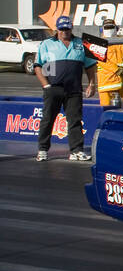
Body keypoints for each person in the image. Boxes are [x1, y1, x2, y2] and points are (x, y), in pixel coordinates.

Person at [35, 16, 96, 162]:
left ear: (71, 28)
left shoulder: (81, 43)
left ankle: (76, 151)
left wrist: (92, 84)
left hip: (74, 89)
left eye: (67, 28)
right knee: (48, 119)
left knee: (75, 120)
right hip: (53, 88)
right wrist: (46, 85)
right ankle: (42, 149)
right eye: (61, 29)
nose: (64, 32)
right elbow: (38, 66)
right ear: (56, 29)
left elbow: (90, 66)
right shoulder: (47, 44)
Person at [93, 18, 123, 109]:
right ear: (102, 29)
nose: (109, 30)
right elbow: (101, 60)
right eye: (107, 28)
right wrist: (116, 70)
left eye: (111, 27)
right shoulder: (98, 43)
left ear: (116, 28)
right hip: (107, 82)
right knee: (105, 109)